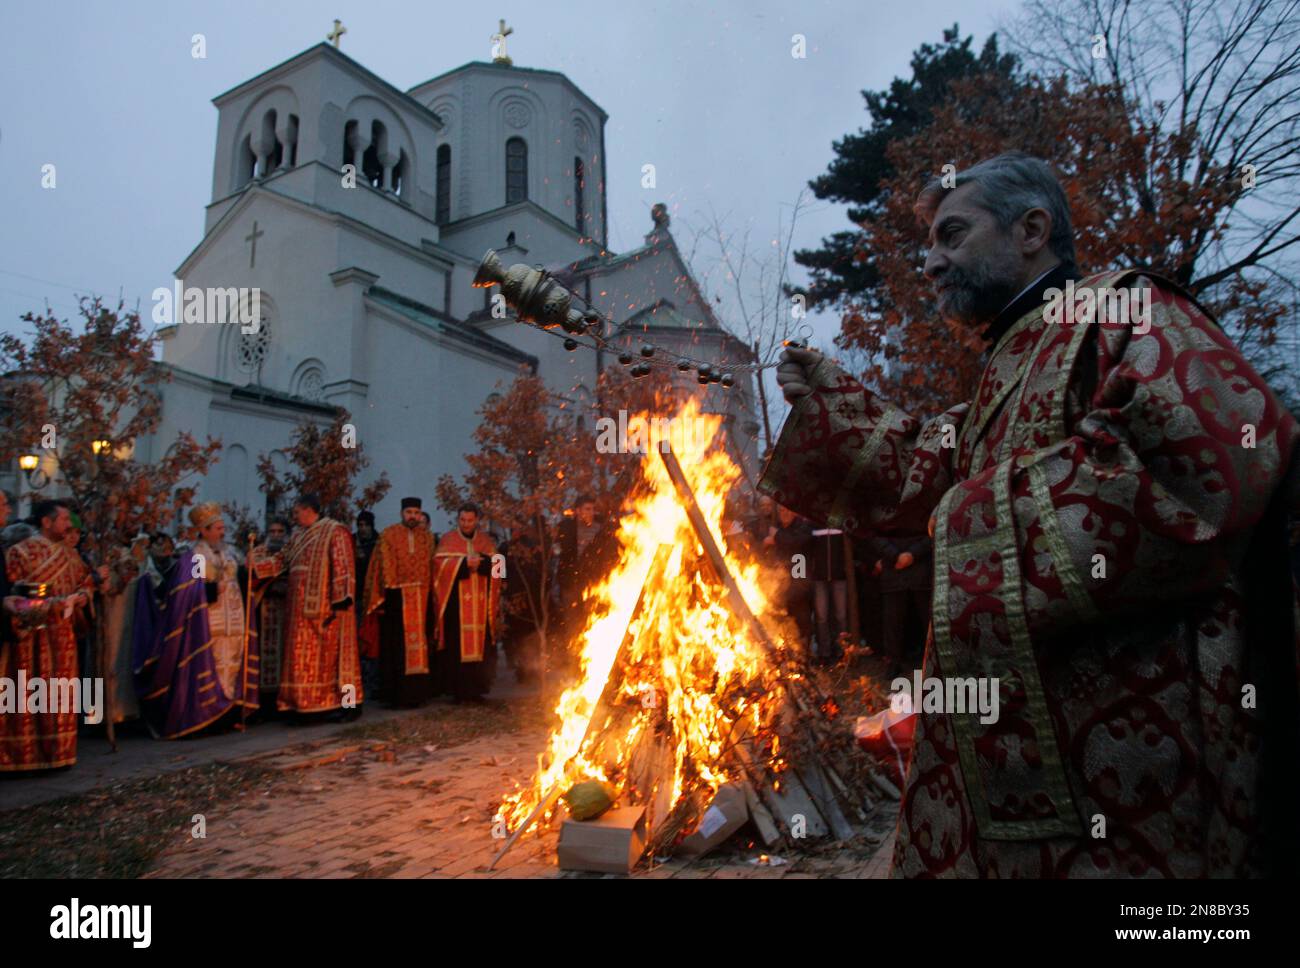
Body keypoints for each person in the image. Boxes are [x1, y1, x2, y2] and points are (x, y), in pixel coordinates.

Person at [763, 152, 1300, 878]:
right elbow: (934, 466)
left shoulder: (1126, 309)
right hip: (1013, 749)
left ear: (1032, 228)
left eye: (951, 234)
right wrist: (831, 401)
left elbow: (1208, 465)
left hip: (1131, 751)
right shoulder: (1010, 365)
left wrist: (974, 521)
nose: (930, 261)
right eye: (929, 245)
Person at [134, 503, 257, 737]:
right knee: (209, 667)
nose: (223, 533)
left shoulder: (230, 553)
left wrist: (248, 570)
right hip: (207, 622)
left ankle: (229, 713)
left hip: (234, 621)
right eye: (218, 528)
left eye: (223, 528)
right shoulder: (196, 557)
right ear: (204, 530)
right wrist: (212, 589)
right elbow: (189, 591)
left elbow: (241, 578)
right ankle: (206, 717)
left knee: (231, 667)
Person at [1, 500, 94, 771]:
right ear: (47, 522)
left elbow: (84, 582)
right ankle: (22, 754)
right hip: (30, 636)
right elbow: (13, 592)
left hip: (62, 636)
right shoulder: (20, 552)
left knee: (60, 692)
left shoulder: (71, 555)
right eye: (64, 519)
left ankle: (58, 753)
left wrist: (83, 596)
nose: (69, 526)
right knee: (26, 691)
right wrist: (47, 606)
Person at [251, 494, 360, 717]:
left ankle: (347, 705)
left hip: (328, 608)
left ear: (309, 510)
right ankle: (302, 705)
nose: (295, 516)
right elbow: (281, 560)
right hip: (299, 612)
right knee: (301, 662)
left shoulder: (334, 530)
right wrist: (254, 568)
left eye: (297, 511)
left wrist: (339, 603)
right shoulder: (298, 536)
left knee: (337, 661)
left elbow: (343, 565)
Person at [363, 497, 437, 707]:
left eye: (416, 512)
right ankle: (395, 696)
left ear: (420, 514)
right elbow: (379, 568)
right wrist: (382, 599)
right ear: (402, 513)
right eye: (409, 512)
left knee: (419, 647)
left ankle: (417, 695)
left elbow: (433, 568)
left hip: (421, 599)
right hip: (395, 599)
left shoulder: (428, 538)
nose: (412, 516)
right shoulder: (389, 534)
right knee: (395, 648)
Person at [432, 503, 501, 702]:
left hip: (481, 606)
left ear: (477, 520)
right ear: (458, 519)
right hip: (457, 606)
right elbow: (438, 567)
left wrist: (482, 562)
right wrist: (462, 564)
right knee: (456, 646)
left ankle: (478, 690)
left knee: (482, 646)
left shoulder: (486, 541)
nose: (466, 524)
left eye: (470, 520)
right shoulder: (448, 540)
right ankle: (458, 691)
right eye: (463, 520)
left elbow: (500, 567)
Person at [552, 496, 615, 660]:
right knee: (573, 623)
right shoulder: (566, 528)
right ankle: (574, 659)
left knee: (593, 621)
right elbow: (557, 551)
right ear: (578, 511)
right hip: (570, 583)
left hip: (594, 584)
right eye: (587, 509)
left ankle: (592, 658)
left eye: (592, 509)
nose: (591, 513)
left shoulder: (601, 528)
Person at [767, 504, 814, 654]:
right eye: (781, 510)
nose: (784, 513)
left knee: (802, 623)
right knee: (783, 626)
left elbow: (796, 543)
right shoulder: (778, 528)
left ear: (794, 512)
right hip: (780, 590)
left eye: (788, 510)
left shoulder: (802, 528)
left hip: (798, 588)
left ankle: (804, 655)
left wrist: (776, 537)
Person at [254, 517, 290, 711]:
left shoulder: (291, 553)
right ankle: (263, 703)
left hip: (286, 611)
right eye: (272, 531)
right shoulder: (258, 552)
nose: (276, 535)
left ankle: (281, 701)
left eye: (280, 532)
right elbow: (251, 577)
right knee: (264, 657)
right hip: (264, 609)